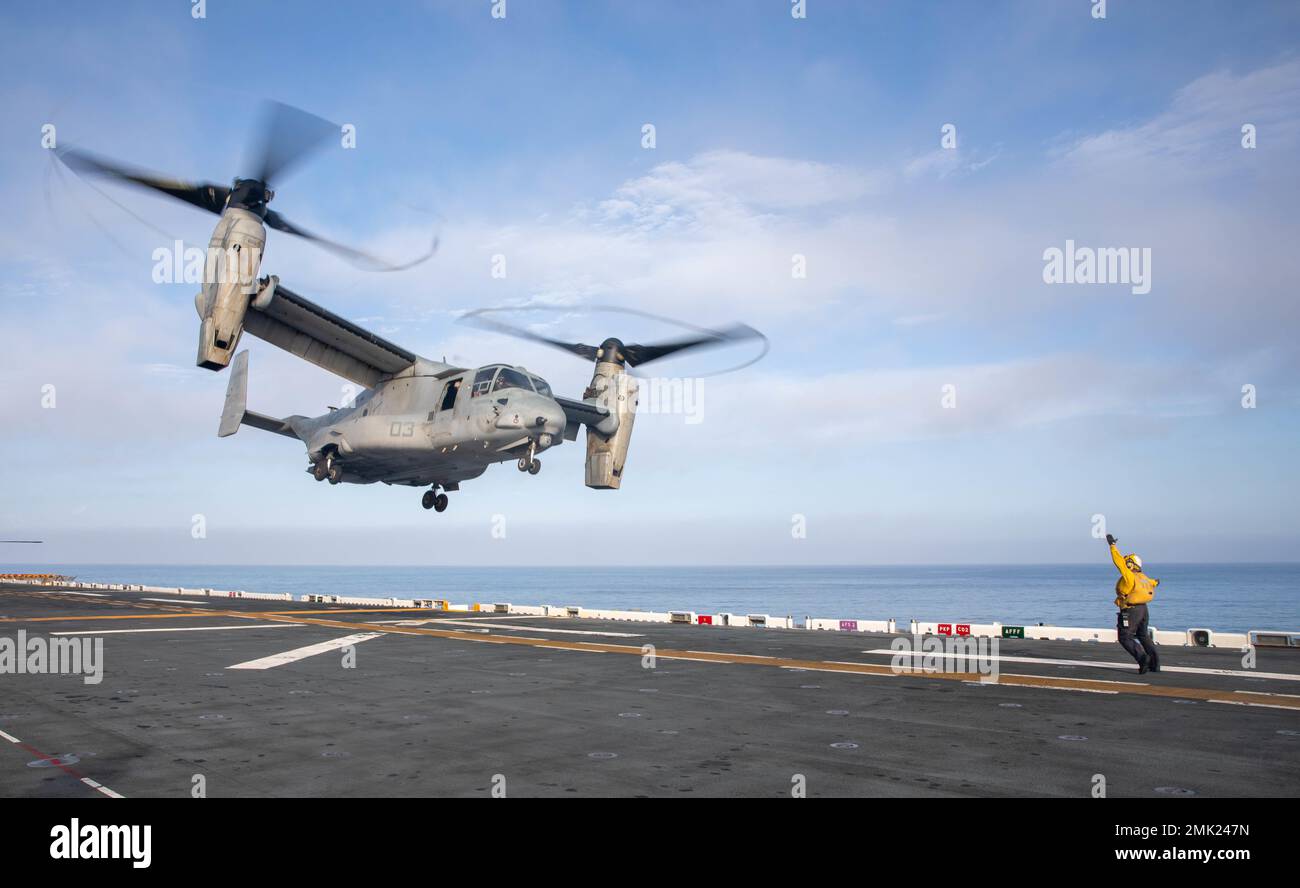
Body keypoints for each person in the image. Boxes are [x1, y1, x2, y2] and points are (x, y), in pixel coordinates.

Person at [1105, 533, 1161, 674]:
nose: (1125, 563)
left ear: (1130, 564)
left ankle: (1143, 659)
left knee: (1125, 637)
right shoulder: (1143, 577)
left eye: (1127, 562)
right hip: (1143, 610)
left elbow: (1118, 561)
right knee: (1143, 635)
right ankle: (1155, 664)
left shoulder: (1129, 576)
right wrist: (1156, 582)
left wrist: (1112, 546)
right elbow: (1153, 583)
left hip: (1131, 610)